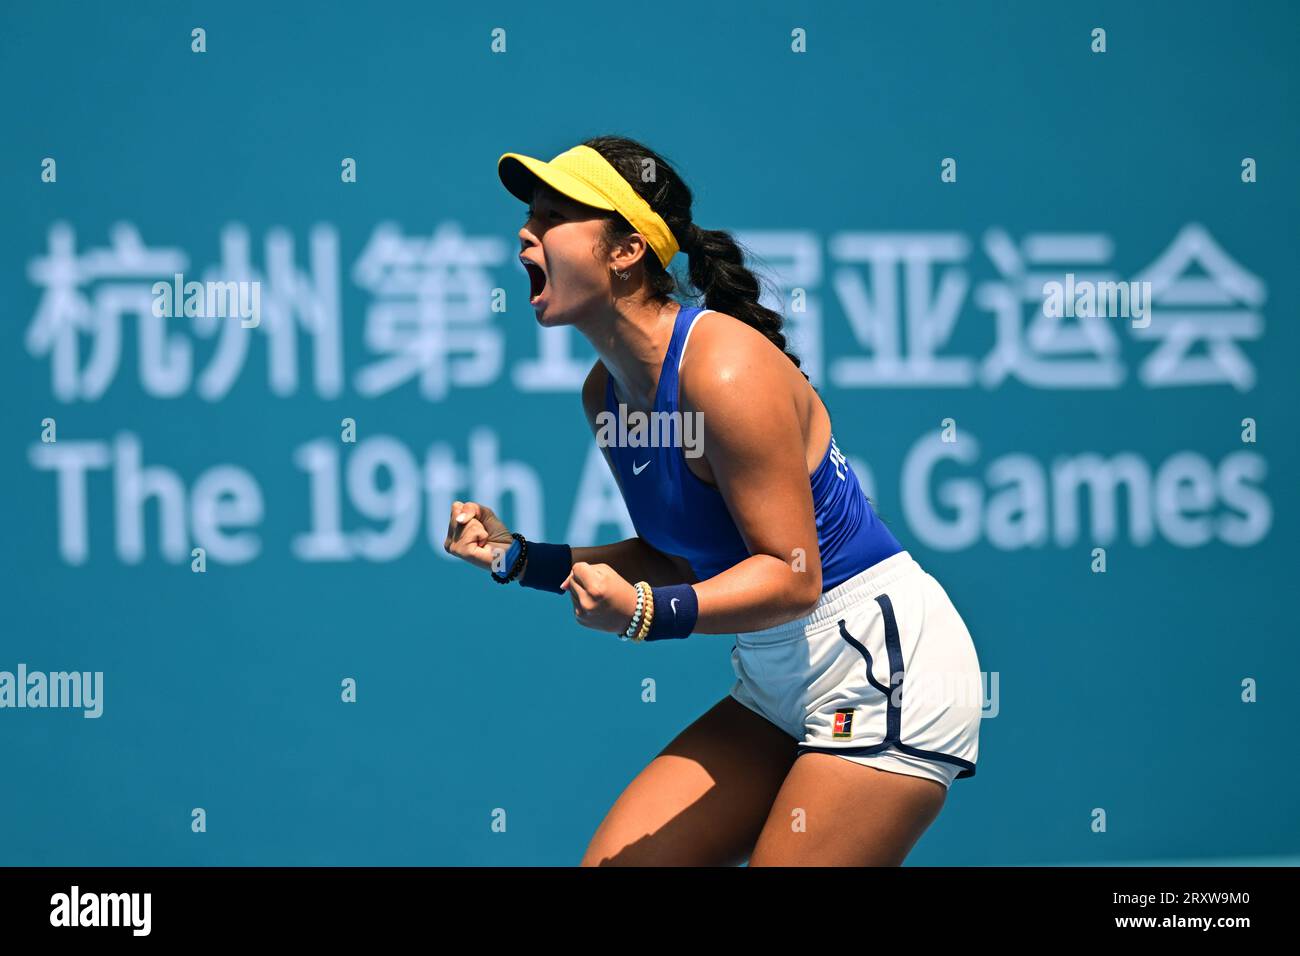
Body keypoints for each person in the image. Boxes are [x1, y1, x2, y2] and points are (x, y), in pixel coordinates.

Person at [444, 136, 982, 866]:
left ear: (626, 250)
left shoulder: (724, 370)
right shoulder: (605, 395)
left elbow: (792, 576)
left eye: (552, 216)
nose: (525, 233)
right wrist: (521, 559)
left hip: (880, 667)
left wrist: (645, 616)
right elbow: (678, 560)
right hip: (774, 679)